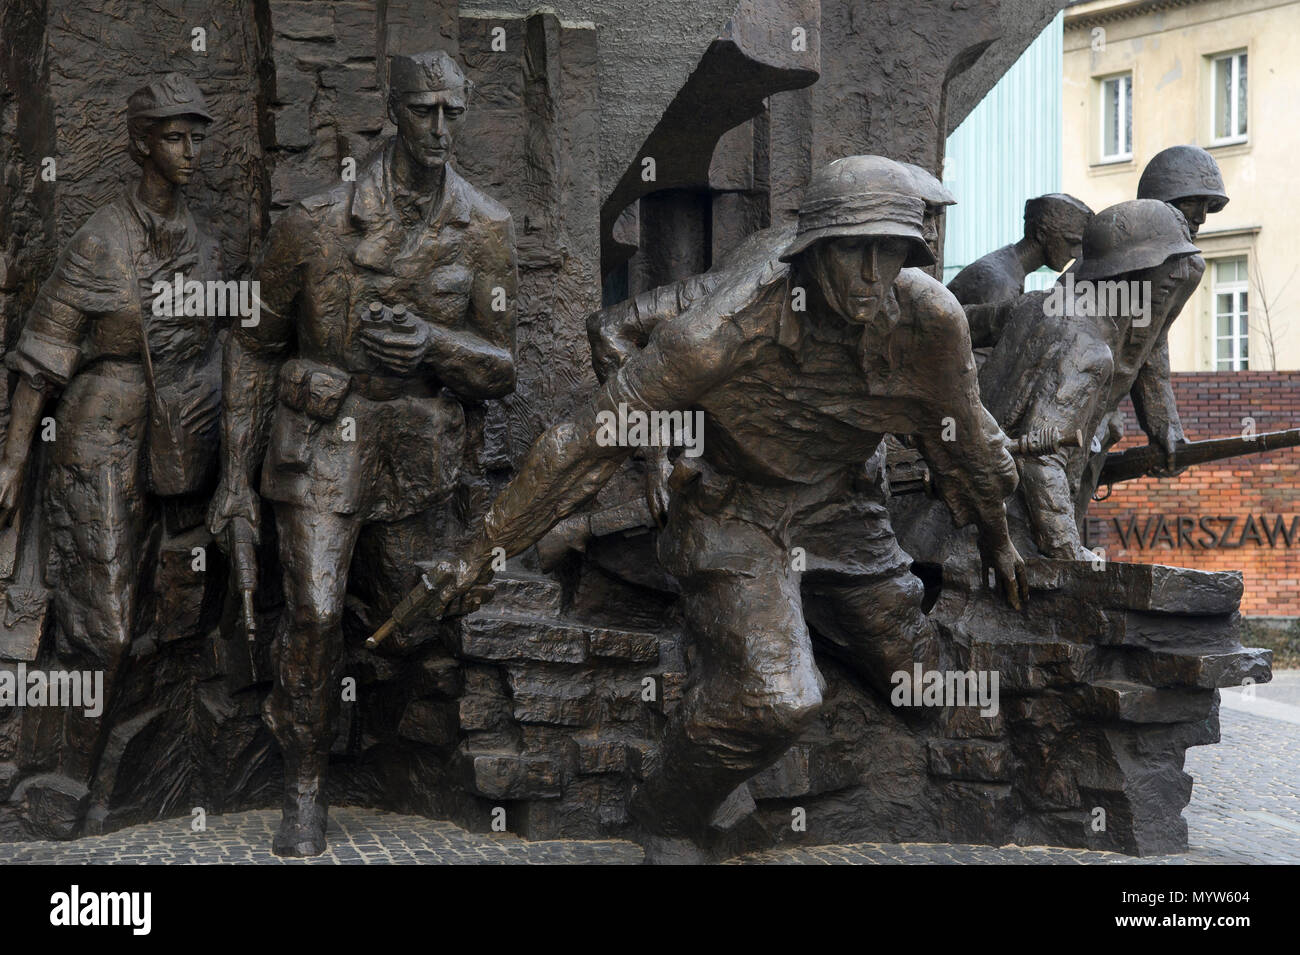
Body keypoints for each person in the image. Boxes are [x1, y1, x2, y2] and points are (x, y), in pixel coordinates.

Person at [396, 155, 1027, 861]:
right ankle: (667, 813)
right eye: (855, 250)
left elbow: (968, 440)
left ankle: (805, 613)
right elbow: (586, 439)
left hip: (844, 509)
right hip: (736, 509)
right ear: (812, 250)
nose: (873, 275)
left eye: (893, 252)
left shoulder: (932, 322)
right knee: (779, 695)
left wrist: (1000, 540)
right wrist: (478, 551)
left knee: (925, 688)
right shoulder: (721, 328)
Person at [208, 50, 518, 857]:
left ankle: (399, 759)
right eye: (425, 111)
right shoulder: (314, 222)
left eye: (454, 110)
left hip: (417, 452)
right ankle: (303, 784)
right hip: (321, 438)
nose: (442, 128)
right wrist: (235, 483)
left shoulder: (486, 228)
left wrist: (434, 345)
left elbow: (502, 367)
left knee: (409, 624)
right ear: (394, 112)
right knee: (312, 610)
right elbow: (250, 347)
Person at [0, 73, 222, 832]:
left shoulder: (205, 247)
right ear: (140, 144)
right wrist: (12, 459)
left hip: (178, 448)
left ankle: (111, 779)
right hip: (94, 442)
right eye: (173, 136)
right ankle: (57, 772)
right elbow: (40, 357)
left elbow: (224, 350)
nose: (190, 151)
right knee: (103, 625)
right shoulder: (101, 238)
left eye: (197, 136)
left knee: (162, 616)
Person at [972, 200, 1201, 558]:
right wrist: (1070, 553)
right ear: (1130, 270)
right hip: (1001, 535)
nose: (1178, 275)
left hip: (966, 515)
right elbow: (1041, 461)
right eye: (1166, 264)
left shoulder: (1039, 303)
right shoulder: (1089, 350)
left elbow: (963, 324)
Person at [949, 193, 1093, 309]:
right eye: (1072, 243)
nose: (1076, 254)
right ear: (1042, 234)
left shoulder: (1006, 270)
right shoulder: (999, 282)